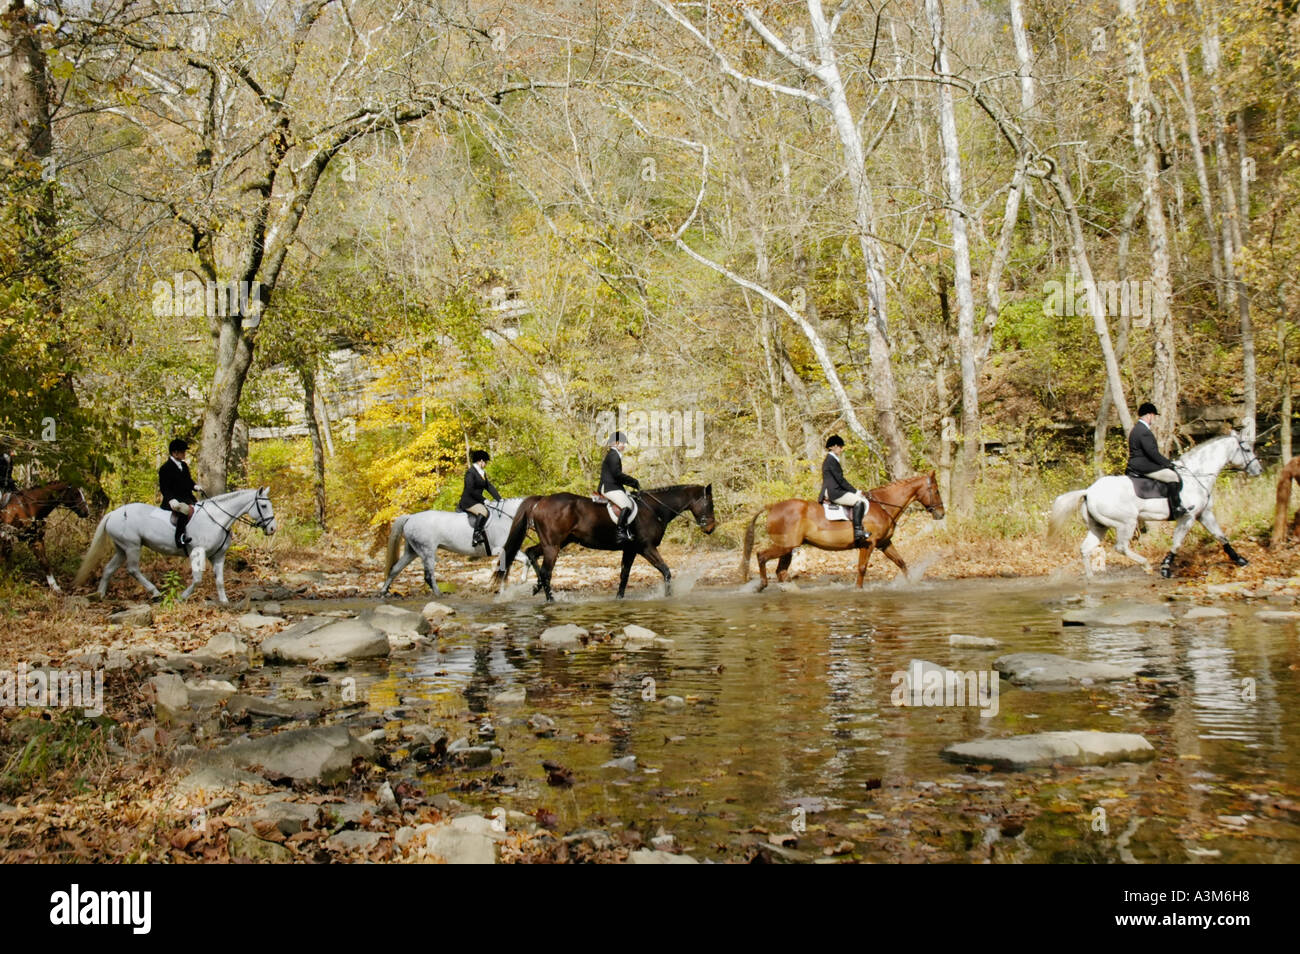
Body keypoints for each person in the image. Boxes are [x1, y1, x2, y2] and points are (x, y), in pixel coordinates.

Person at [1126, 402, 1185, 519]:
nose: (1154, 419)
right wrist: (1168, 464)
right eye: (1154, 416)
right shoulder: (1144, 432)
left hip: (1137, 463)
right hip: (1143, 465)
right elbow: (1152, 453)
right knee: (1172, 476)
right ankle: (1176, 508)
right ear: (1149, 415)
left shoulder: (1136, 429)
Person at [821, 435, 870, 547]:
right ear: (833, 447)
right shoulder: (831, 460)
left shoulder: (831, 459)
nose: (841, 449)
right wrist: (855, 491)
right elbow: (840, 480)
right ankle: (858, 532)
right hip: (834, 491)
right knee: (859, 502)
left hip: (833, 489)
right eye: (840, 447)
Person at [159, 438, 200, 554]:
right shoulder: (165, 468)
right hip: (173, 501)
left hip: (187, 498)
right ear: (174, 453)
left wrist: (195, 486)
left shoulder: (184, 465)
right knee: (184, 510)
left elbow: (188, 481)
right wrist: (171, 499)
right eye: (182, 452)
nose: (184, 454)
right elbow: (164, 488)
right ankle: (179, 538)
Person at [457, 449, 502, 555]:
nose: (486, 464)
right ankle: (476, 536)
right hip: (468, 501)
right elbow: (470, 490)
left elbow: (489, 487)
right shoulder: (470, 472)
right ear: (480, 461)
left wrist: (500, 499)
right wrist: (484, 500)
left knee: (493, 510)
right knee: (484, 512)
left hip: (476, 500)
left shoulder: (482, 473)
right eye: (485, 462)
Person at [599, 432, 641, 544]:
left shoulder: (614, 454)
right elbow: (617, 474)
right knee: (626, 505)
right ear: (617, 443)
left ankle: (627, 531)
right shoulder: (613, 455)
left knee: (631, 499)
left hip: (614, 486)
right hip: (609, 487)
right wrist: (633, 482)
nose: (624, 446)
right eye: (623, 443)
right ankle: (620, 533)